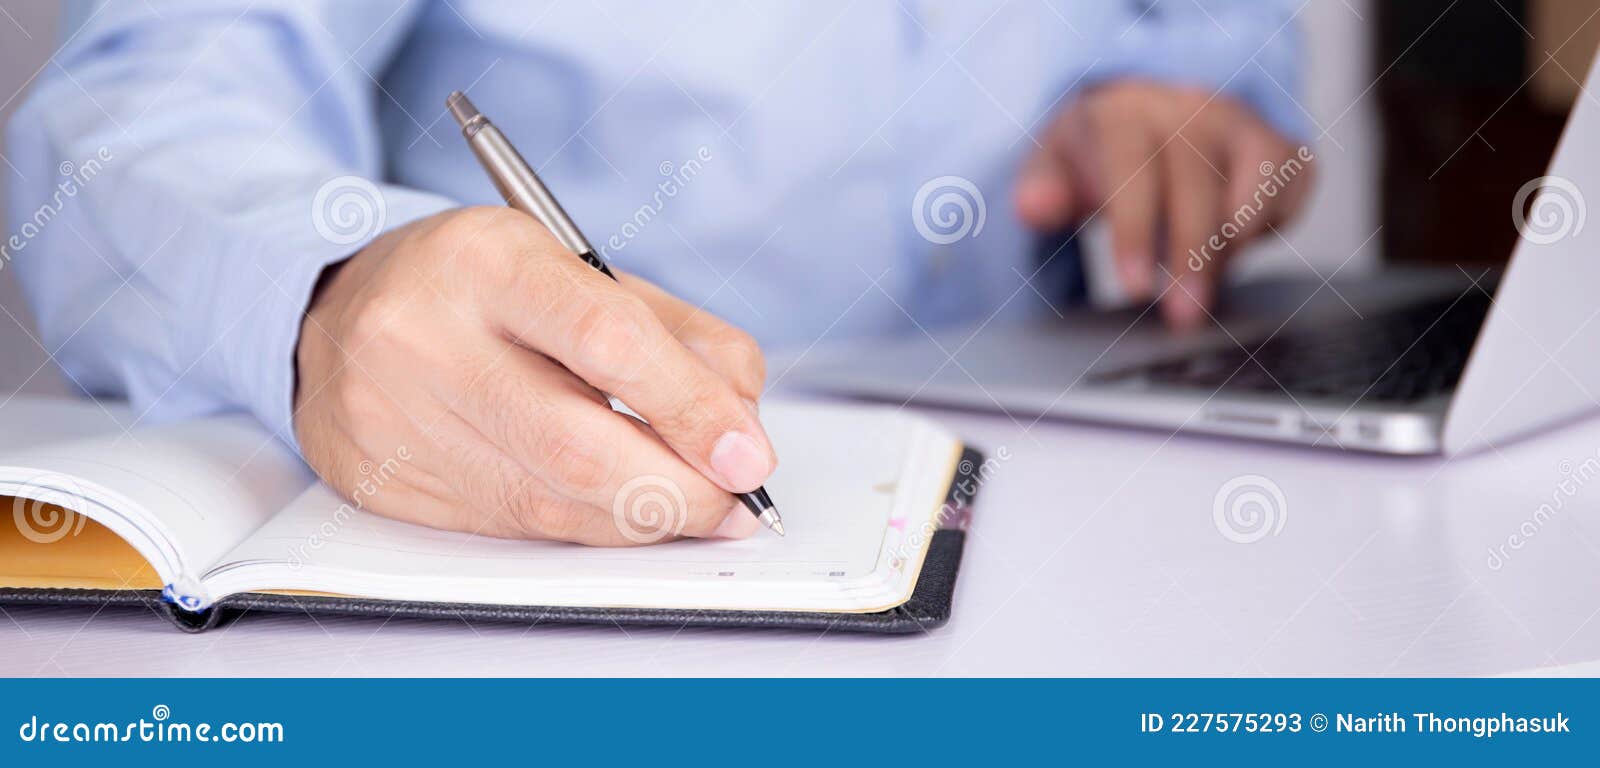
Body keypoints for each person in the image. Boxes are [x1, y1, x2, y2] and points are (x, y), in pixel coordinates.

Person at [7, 1, 1313, 545]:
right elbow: (141, 104)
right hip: (550, 551)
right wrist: (329, 287)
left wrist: (1184, 113)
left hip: (1096, 501)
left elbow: (1239, 62)